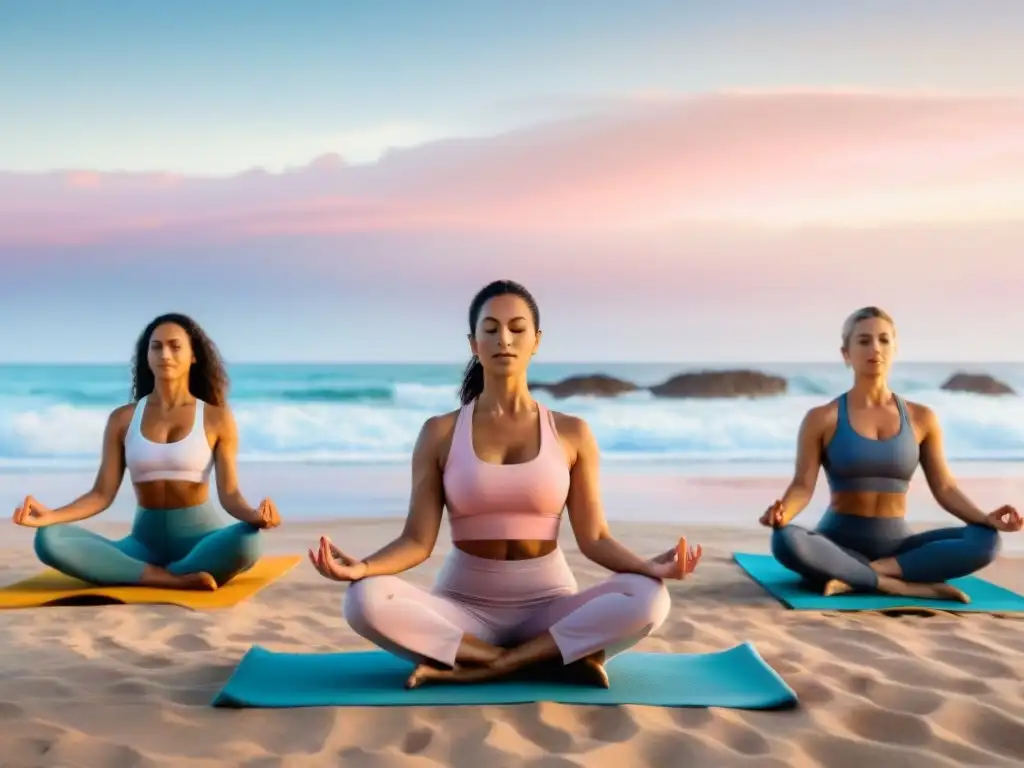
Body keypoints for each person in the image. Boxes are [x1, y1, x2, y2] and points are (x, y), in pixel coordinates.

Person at [309, 279, 701, 689]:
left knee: (649, 596)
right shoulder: (440, 433)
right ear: (473, 343)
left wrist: (648, 567)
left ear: (537, 340)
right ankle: (526, 659)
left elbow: (596, 537)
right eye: (491, 329)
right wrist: (363, 567)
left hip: (550, 610)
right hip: (462, 611)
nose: (504, 339)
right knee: (363, 599)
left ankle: (491, 664)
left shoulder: (572, 433)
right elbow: (416, 540)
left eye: (517, 328)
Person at [761, 306, 1021, 602]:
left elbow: (945, 487)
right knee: (785, 540)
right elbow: (802, 486)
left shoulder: (922, 418)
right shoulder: (822, 418)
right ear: (846, 353)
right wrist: (783, 514)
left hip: (899, 548)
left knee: (985, 541)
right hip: (835, 544)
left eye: (884, 340)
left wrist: (987, 519)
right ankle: (900, 586)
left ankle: (865, 574)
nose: (875, 348)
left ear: (895, 348)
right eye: (863, 341)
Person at [11, 313, 281, 591]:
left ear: (193, 356)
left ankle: (144, 574)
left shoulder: (216, 417)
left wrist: (254, 516)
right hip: (141, 546)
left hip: (201, 541)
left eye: (175, 346)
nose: (165, 353)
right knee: (48, 539)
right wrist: (51, 516)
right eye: (156, 346)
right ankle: (171, 578)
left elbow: (230, 494)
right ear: (147, 356)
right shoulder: (123, 419)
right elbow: (101, 495)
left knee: (249, 541)